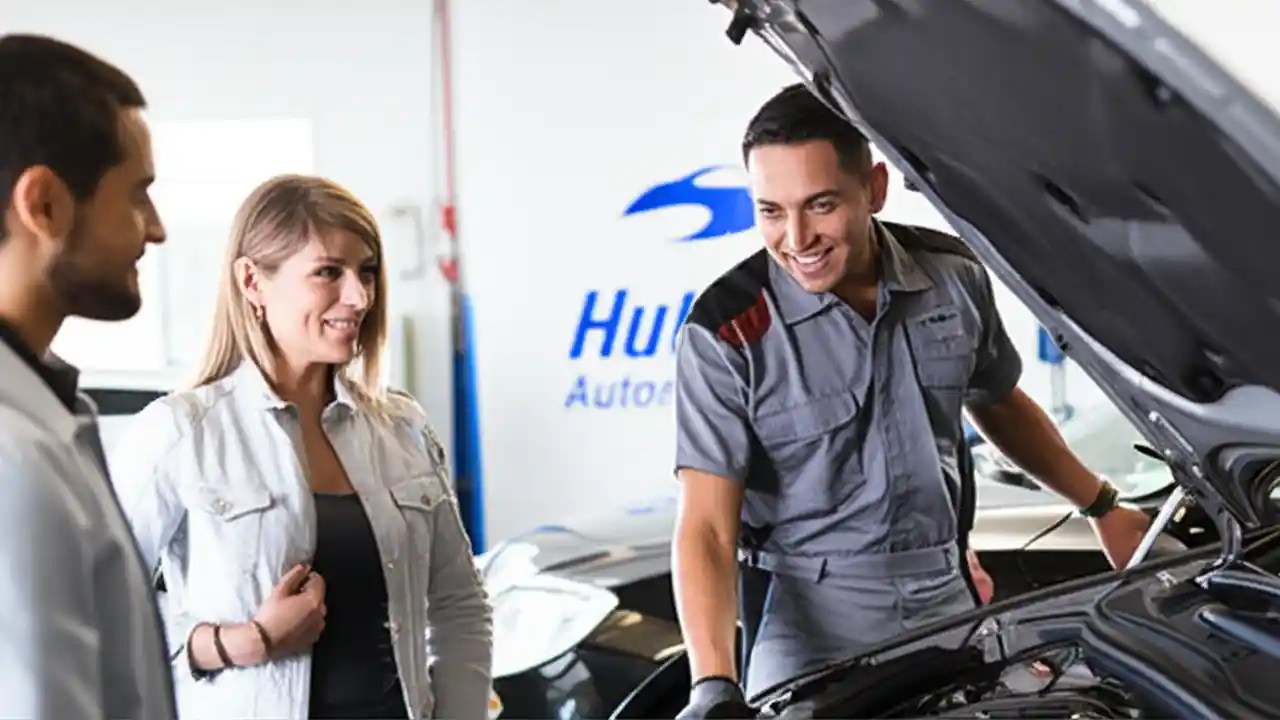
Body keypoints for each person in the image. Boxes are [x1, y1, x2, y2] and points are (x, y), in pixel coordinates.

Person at [670, 83, 1152, 716]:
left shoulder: (953, 275)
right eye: (770, 211)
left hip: (944, 601)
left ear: (873, 188)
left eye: (819, 205)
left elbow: (999, 401)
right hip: (807, 624)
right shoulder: (728, 331)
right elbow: (706, 526)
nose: (796, 238)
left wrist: (1102, 504)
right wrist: (712, 682)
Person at [107, 174, 493, 719]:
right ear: (252, 282)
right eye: (328, 272)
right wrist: (242, 640)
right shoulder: (179, 433)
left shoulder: (402, 427)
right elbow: (101, 612)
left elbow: (460, 607)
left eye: (367, 272)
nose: (359, 297)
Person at [0, 34, 175, 719]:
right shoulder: (13, 453)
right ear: (43, 205)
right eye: (137, 195)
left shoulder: (37, 412)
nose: (154, 230)